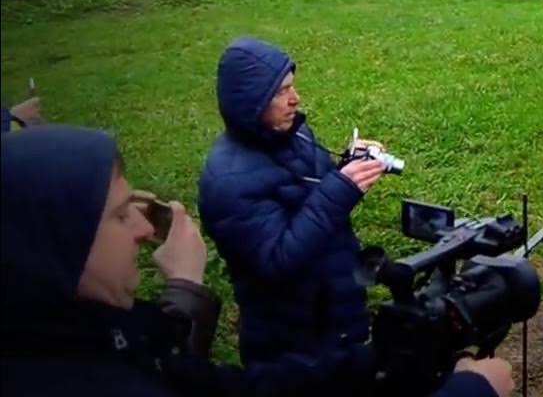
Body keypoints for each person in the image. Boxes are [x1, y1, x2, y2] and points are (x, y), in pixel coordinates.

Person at [0, 125, 382, 397]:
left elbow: (209, 382)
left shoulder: (98, 338)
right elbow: (279, 258)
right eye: (119, 215)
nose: (143, 230)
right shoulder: (91, 380)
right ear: (57, 244)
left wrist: (379, 363)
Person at [197, 37, 386, 365]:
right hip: (292, 342)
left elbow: (312, 197)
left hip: (333, 313)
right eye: (281, 92)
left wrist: (346, 169)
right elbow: (276, 259)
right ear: (251, 102)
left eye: (292, 87)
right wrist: (341, 188)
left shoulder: (292, 134)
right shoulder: (226, 182)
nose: (295, 99)